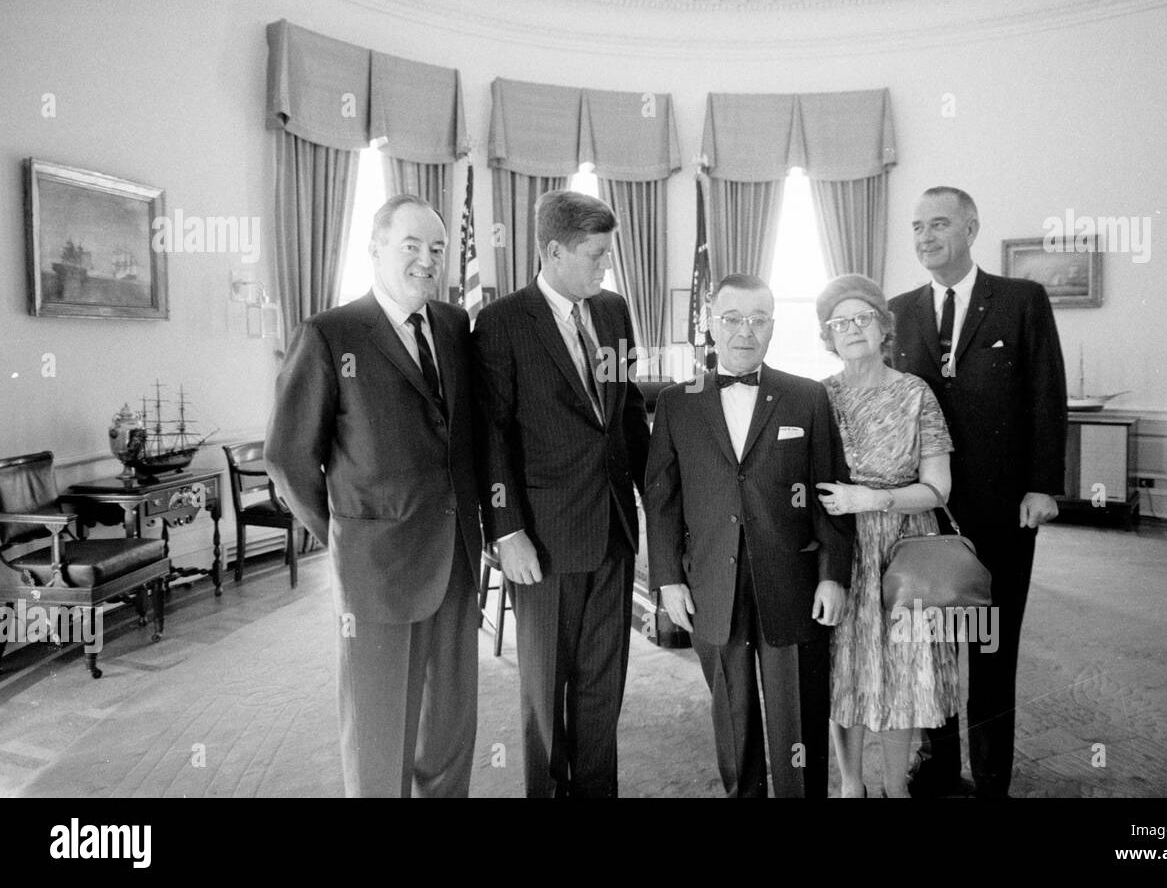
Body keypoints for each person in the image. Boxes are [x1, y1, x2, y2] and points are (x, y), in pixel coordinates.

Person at [264, 194, 482, 798]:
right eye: (410, 245)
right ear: (376, 248)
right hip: (376, 568)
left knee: (450, 724)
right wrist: (346, 530)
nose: (426, 260)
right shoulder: (330, 334)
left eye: (436, 249)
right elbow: (286, 457)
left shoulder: (454, 325)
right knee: (379, 726)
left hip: (458, 556)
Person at [645, 273, 853, 798]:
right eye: (733, 319)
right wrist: (669, 580)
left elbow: (832, 493)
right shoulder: (676, 402)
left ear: (773, 327)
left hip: (793, 580)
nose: (746, 331)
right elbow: (662, 500)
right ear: (711, 326)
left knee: (798, 715)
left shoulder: (806, 397)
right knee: (733, 716)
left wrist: (833, 576)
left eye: (759, 319)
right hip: (712, 582)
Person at [889, 186, 1068, 798]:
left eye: (938, 224)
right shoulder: (899, 310)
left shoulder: (1021, 301)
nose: (925, 238)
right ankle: (937, 769)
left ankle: (992, 779)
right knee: (932, 647)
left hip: (1004, 510)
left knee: (993, 647)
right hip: (924, 513)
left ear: (971, 228)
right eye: (916, 227)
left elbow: (1048, 395)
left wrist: (1043, 486)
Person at [473, 189, 649, 798]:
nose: (605, 268)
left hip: (613, 530)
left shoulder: (616, 312)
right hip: (542, 539)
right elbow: (490, 432)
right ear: (553, 250)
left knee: (604, 686)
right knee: (546, 690)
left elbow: (626, 420)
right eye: (596, 256)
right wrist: (505, 529)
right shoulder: (501, 322)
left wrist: (658, 503)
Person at [812, 274, 960, 799]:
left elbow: (939, 489)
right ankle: (852, 787)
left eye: (862, 318)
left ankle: (895, 789)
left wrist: (873, 499)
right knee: (845, 670)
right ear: (828, 335)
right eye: (839, 322)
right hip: (841, 551)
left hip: (904, 548)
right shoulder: (816, 397)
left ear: (882, 327)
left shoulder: (914, 392)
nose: (852, 329)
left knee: (904, 671)